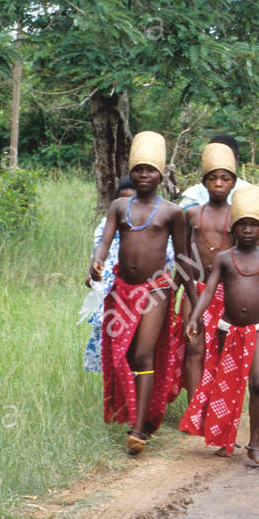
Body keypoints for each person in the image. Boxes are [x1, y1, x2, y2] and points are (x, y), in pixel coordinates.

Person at [90, 131, 190, 454]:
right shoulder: (120, 206)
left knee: (145, 354)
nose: (144, 175)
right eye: (139, 169)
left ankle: (138, 430)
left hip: (156, 290)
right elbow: (105, 240)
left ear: (162, 174)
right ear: (131, 171)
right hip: (122, 290)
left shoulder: (172, 212)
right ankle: (136, 414)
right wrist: (97, 260)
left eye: (150, 170)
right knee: (127, 355)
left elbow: (186, 258)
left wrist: (195, 301)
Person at [180, 183, 259, 468]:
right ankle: (226, 437)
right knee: (228, 383)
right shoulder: (225, 259)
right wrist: (195, 317)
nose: (248, 230)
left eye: (254, 225)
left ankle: (256, 443)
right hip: (227, 329)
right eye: (242, 225)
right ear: (233, 229)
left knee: (258, 383)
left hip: (258, 329)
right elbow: (210, 291)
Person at [84, 177, 174, 374]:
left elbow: (170, 258)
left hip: (152, 289)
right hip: (117, 290)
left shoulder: (160, 222)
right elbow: (99, 253)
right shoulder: (107, 227)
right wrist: (94, 272)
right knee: (121, 347)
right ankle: (124, 395)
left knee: (144, 348)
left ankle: (140, 398)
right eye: (124, 201)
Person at [181, 142, 238, 395]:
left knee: (224, 349)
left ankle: (220, 404)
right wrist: (176, 289)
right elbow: (183, 256)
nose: (218, 183)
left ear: (233, 183)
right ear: (204, 183)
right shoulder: (192, 215)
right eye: (212, 178)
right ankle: (195, 408)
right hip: (195, 289)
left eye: (225, 178)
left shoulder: (239, 217)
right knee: (194, 347)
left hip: (228, 291)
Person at [180, 135, 240, 210]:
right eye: (214, 157)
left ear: (236, 160)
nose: (218, 184)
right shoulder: (194, 196)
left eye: (225, 179)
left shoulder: (247, 193)